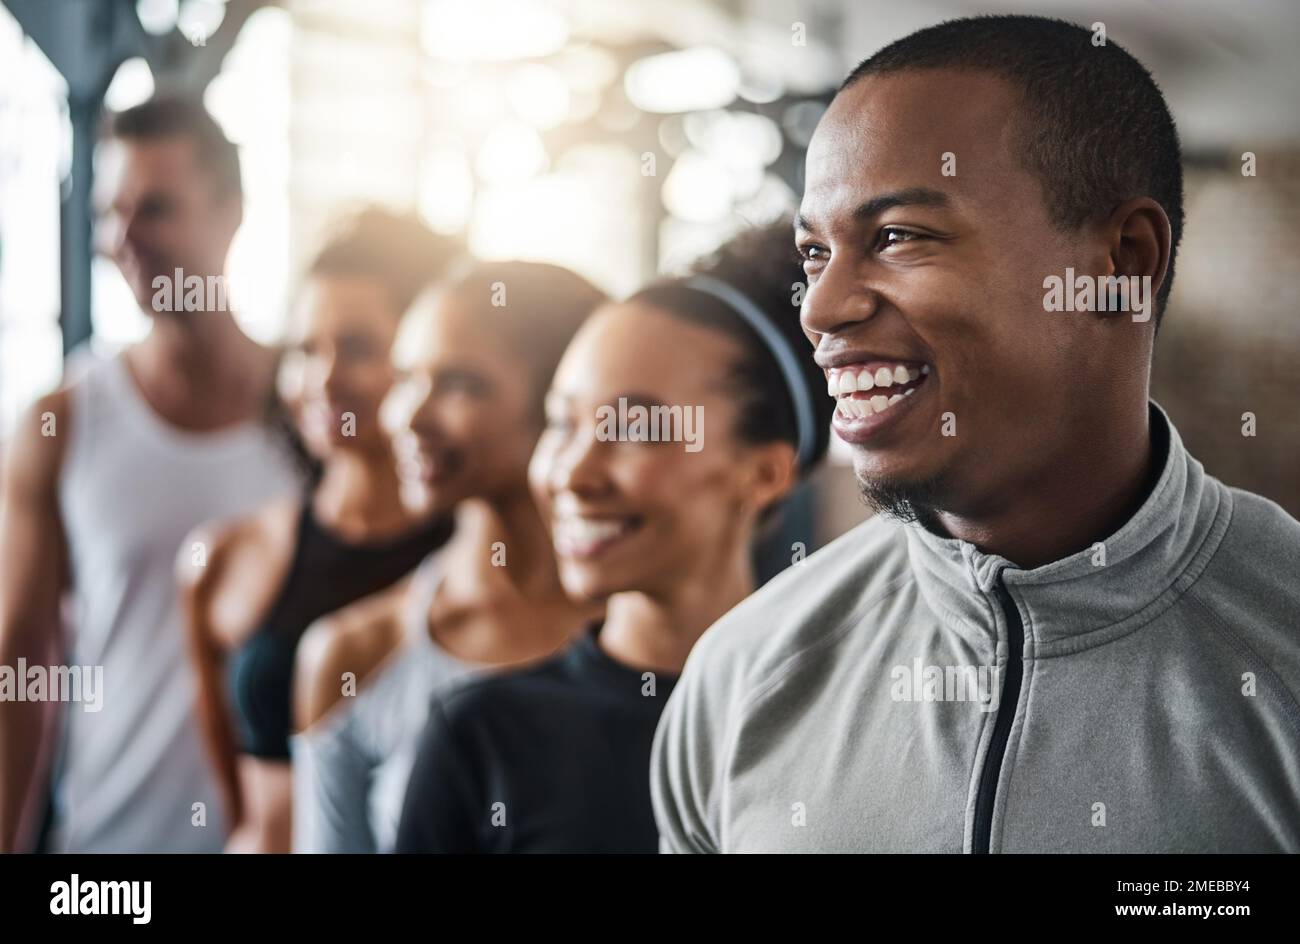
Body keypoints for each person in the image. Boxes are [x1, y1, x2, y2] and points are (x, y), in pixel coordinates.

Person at [651, 15, 1300, 854]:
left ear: (1123, 263)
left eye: (898, 237)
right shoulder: (744, 673)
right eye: (815, 254)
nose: (821, 307)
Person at [394, 222, 835, 853]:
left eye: (635, 427)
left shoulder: (848, 720)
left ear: (764, 472)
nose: (572, 472)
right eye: (561, 421)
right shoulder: (483, 735)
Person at [0, 97, 303, 853]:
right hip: (110, 854)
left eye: (156, 209)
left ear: (231, 212)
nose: (123, 239)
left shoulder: (313, 412)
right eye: (111, 212)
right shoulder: (61, 421)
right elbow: (19, 668)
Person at [291, 261, 606, 853]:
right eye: (406, 379)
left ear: (561, 403)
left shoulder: (648, 635)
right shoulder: (353, 653)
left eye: (459, 384)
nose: (408, 416)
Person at [180, 210, 460, 853]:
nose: (324, 378)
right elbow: (244, 815)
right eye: (306, 349)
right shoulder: (224, 559)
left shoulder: (472, 555)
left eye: (359, 348)